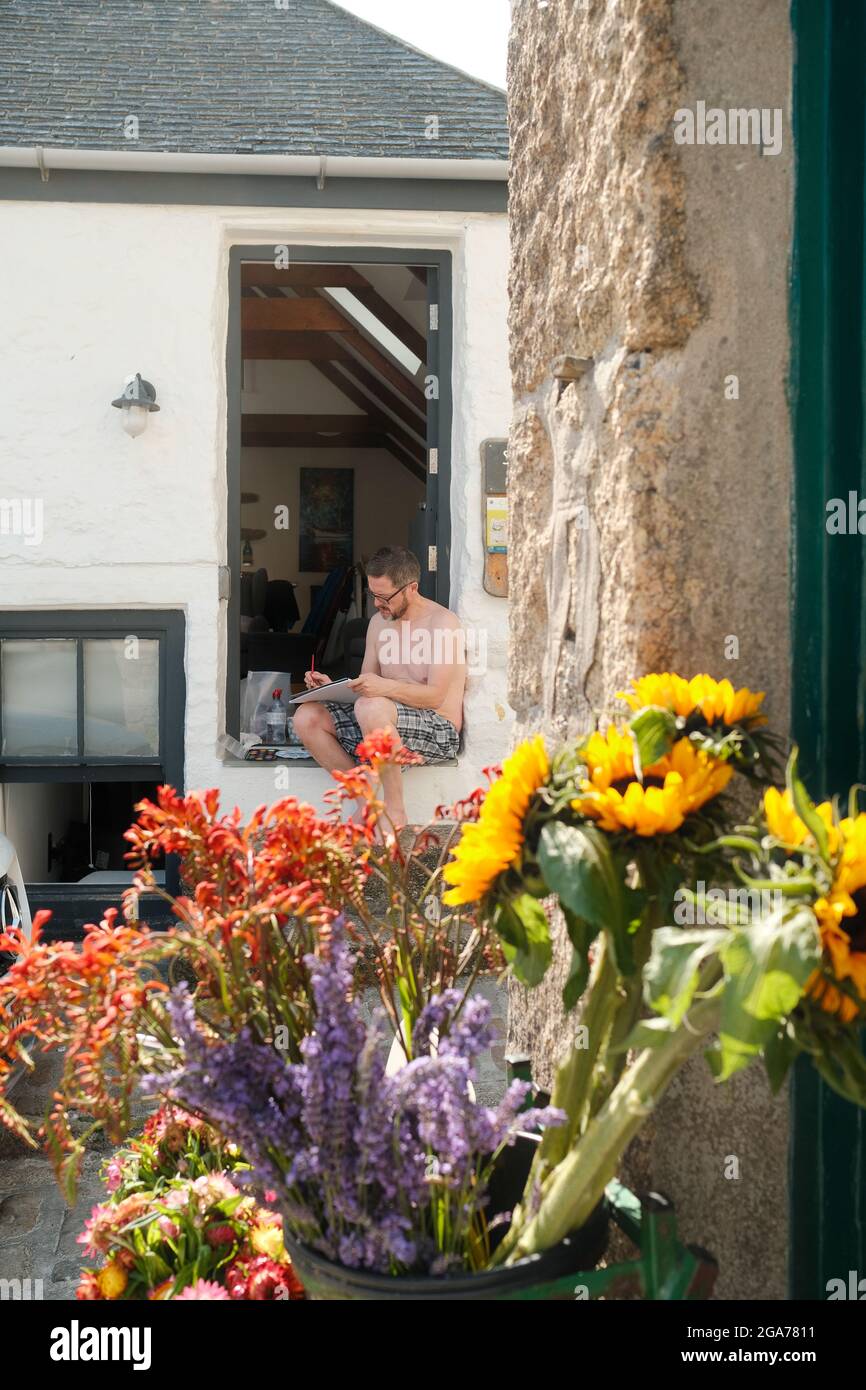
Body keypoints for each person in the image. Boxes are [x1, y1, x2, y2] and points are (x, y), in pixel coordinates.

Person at [293, 546, 465, 830]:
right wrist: (333, 687)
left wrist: (382, 687)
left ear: (411, 588)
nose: (376, 604)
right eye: (373, 595)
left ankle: (396, 812)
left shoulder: (443, 623)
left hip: (437, 729)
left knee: (371, 706)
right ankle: (366, 803)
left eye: (384, 597)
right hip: (381, 719)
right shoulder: (378, 623)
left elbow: (435, 695)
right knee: (306, 716)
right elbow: (366, 686)